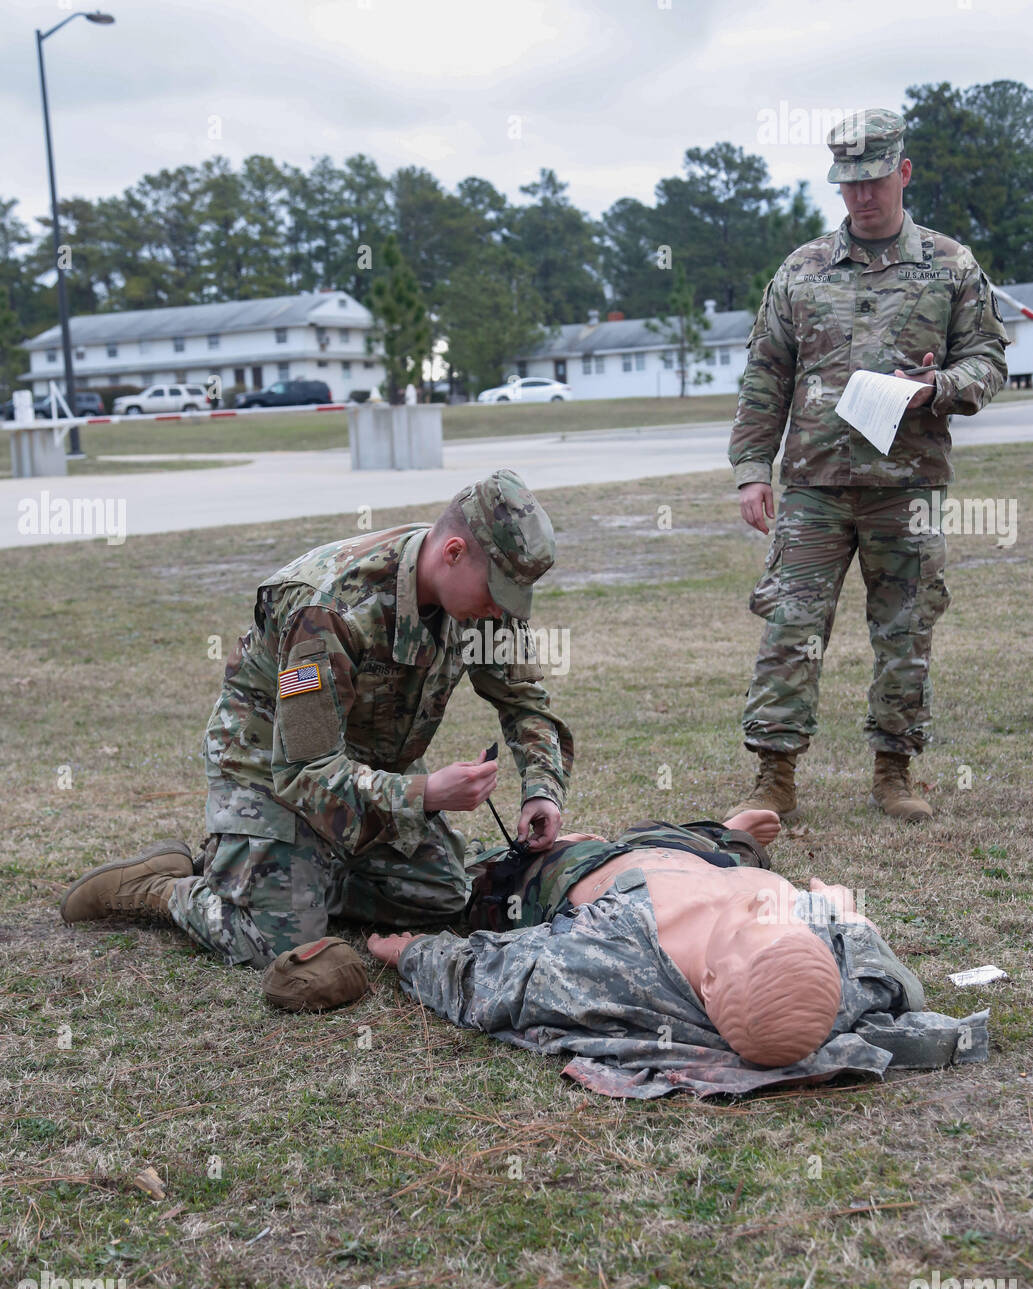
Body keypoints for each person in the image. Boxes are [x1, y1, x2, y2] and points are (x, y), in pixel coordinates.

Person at [59, 470, 574, 992]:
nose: (503, 609)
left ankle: (289, 872)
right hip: (269, 771)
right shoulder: (329, 607)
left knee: (441, 897)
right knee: (282, 943)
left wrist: (542, 791)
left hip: (366, 771)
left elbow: (524, 702)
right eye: (498, 590)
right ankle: (164, 887)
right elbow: (304, 769)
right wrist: (425, 792)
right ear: (455, 552)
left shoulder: (483, 604)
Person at [728, 108, 1009, 823]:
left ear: (903, 173)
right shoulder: (801, 269)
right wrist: (751, 469)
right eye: (847, 184)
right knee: (790, 629)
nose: (861, 196)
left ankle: (893, 769)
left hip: (905, 486)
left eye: (874, 180)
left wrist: (936, 387)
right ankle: (774, 774)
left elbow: (987, 361)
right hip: (814, 489)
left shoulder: (949, 266)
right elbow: (766, 372)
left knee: (905, 631)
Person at [368, 806, 987, 1098]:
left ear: (711, 984)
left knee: (440, 881)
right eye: (781, 921)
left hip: (577, 870)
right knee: (740, 855)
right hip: (698, 856)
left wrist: (406, 949)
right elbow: (876, 960)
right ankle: (723, 832)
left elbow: (489, 978)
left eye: (751, 925)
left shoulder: (611, 961)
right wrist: (840, 910)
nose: (763, 912)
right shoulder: (824, 963)